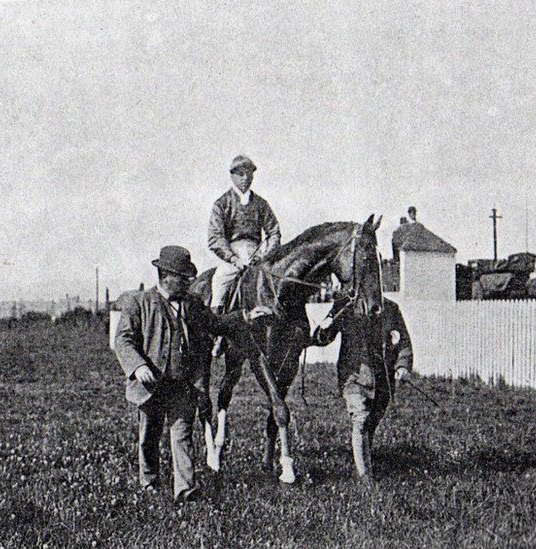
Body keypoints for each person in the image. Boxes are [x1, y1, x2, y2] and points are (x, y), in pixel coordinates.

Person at [113, 245, 272, 502]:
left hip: (182, 382)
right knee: (149, 435)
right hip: (151, 384)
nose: (188, 282)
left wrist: (246, 315)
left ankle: (185, 488)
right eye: (182, 277)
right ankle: (149, 481)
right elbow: (123, 340)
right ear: (165, 275)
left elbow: (216, 324)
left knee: (182, 433)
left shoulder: (193, 304)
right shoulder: (138, 303)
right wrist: (138, 366)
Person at [311, 295, 412, 477]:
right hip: (354, 376)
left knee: (372, 420)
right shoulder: (345, 307)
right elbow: (322, 338)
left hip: (383, 378)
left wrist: (402, 365)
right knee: (361, 418)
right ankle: (365, 479)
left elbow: (403, 341)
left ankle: (364, 457)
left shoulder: (390, 308)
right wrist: (324, 327)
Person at [207, 155, 281, 314]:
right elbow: (215, 237)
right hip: (233, 254)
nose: (245, 178)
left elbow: (274, 231)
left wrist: (266, 255)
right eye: (240, 174)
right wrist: (234, 259)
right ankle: (217, 324)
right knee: (220, 280)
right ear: (232, 176)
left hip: (257, 253)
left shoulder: (261, 204)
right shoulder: (222, 204)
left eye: (249, 174)